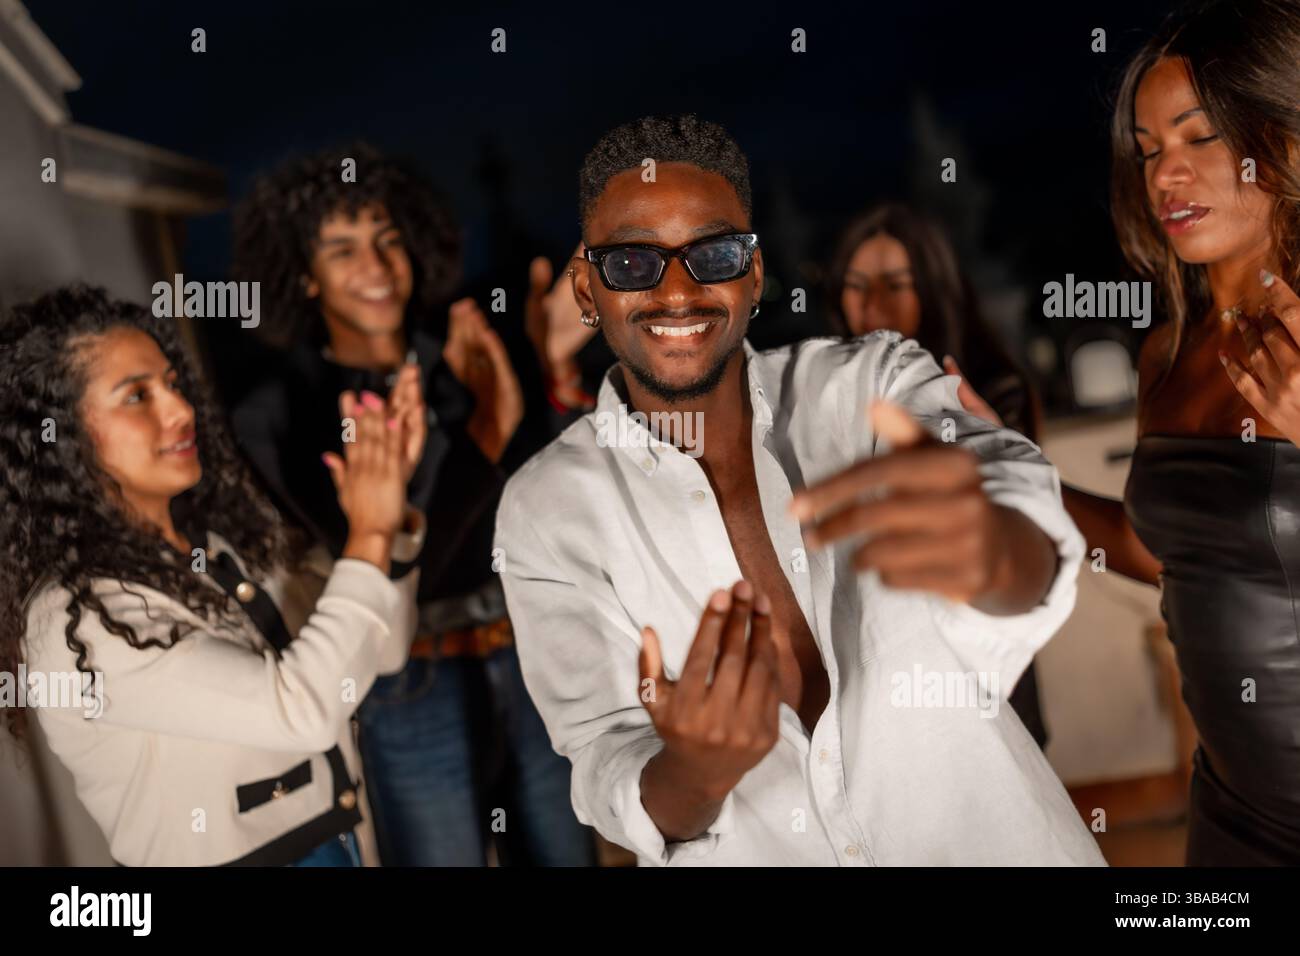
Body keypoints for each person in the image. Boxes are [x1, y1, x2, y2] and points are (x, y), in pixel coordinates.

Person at [494, 114, 1104, 865]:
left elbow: (1018, 508)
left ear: (753, 274)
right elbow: (606, 762)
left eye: (712, 254)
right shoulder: (545, 511)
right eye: (632, 263)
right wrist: (696, 772)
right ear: (587, 290)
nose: (678, 291)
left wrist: (994, 546)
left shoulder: (869, 385)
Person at [951, 0, 1300, 866]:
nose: (1166, 176)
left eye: (1198, 138)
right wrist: (1008, 469)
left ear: (1281, 140)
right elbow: (1159, 557)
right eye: (1149, 152)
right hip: (1233, 809)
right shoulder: (1167, 355)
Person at [231, 144, 596, 866]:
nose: (376, 265)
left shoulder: (465, 353)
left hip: (525, 654)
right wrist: (483, 436)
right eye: (342, 250)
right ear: (302, 275)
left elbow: (546, 500)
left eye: (387, 238)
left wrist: (552, 375)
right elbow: (383, 579)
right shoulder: (277, 415)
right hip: (408, 684)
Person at [0, 285, 426, 866]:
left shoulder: (220, 549)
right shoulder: (76, 618)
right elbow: (300, 711)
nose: (180, 410)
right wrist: (368, 536)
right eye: (136, 396)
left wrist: (390, 525)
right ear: (62, 435)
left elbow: (381, 652)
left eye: (173, 385)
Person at [825, 202, 1049, 749]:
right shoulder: (827, 397)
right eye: (856, 285)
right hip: (879, 683)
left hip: (981, 669)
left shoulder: (989, 391)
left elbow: (1026, 526)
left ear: (934, 287)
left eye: (894, 283)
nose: (872, 303)